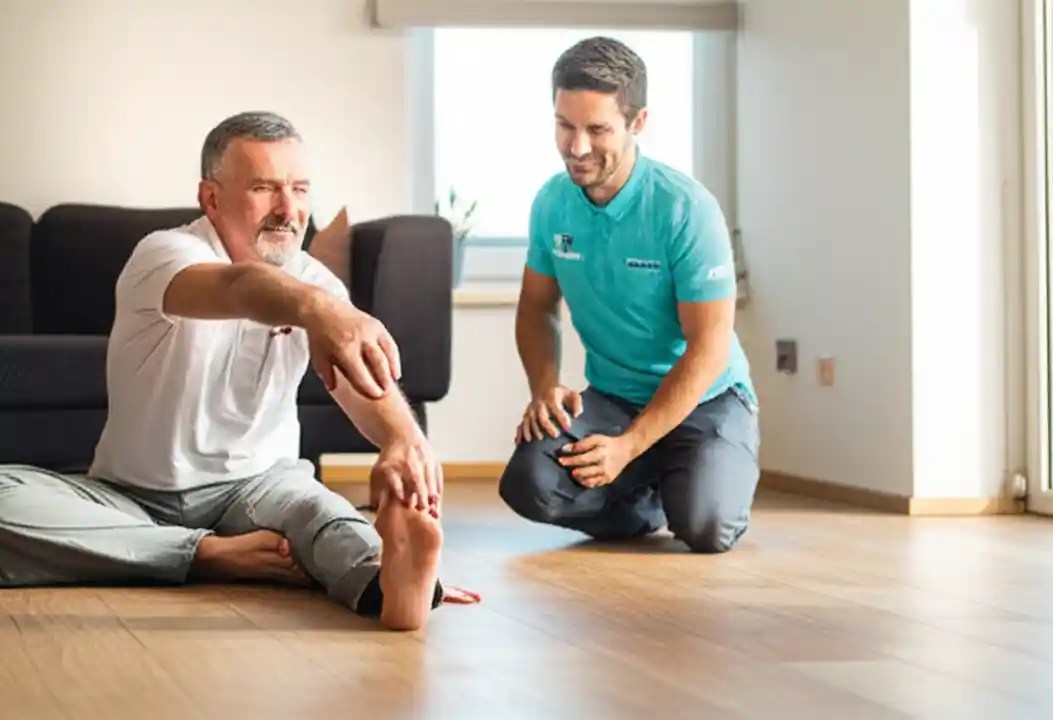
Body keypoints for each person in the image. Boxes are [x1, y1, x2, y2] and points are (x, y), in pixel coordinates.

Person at [0, 111, 478, 630]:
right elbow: (239, 287)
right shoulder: (165, 254)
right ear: (211, 198)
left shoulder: (318, 286)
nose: (289, 210)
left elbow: (361, 381)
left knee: (320, 514)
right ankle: (204, 553)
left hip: (260, 488)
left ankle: (389, 579)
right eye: (264, 188)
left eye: (299, 189)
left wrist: (403, 438)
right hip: (129, 496)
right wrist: (320, 310)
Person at [498, 37, 761, 553]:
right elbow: (536, 308)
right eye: (564, 125)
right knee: (529, 483)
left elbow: (708, 348)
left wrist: (630, 446)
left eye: (597, 130)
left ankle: (684, 475)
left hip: (707, 399)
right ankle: (648, 499)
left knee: (706, 526)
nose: (577, 147)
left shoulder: (685, 209)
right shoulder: (552, 203)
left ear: (637, 122)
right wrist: (544, 388)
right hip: (614, 398)